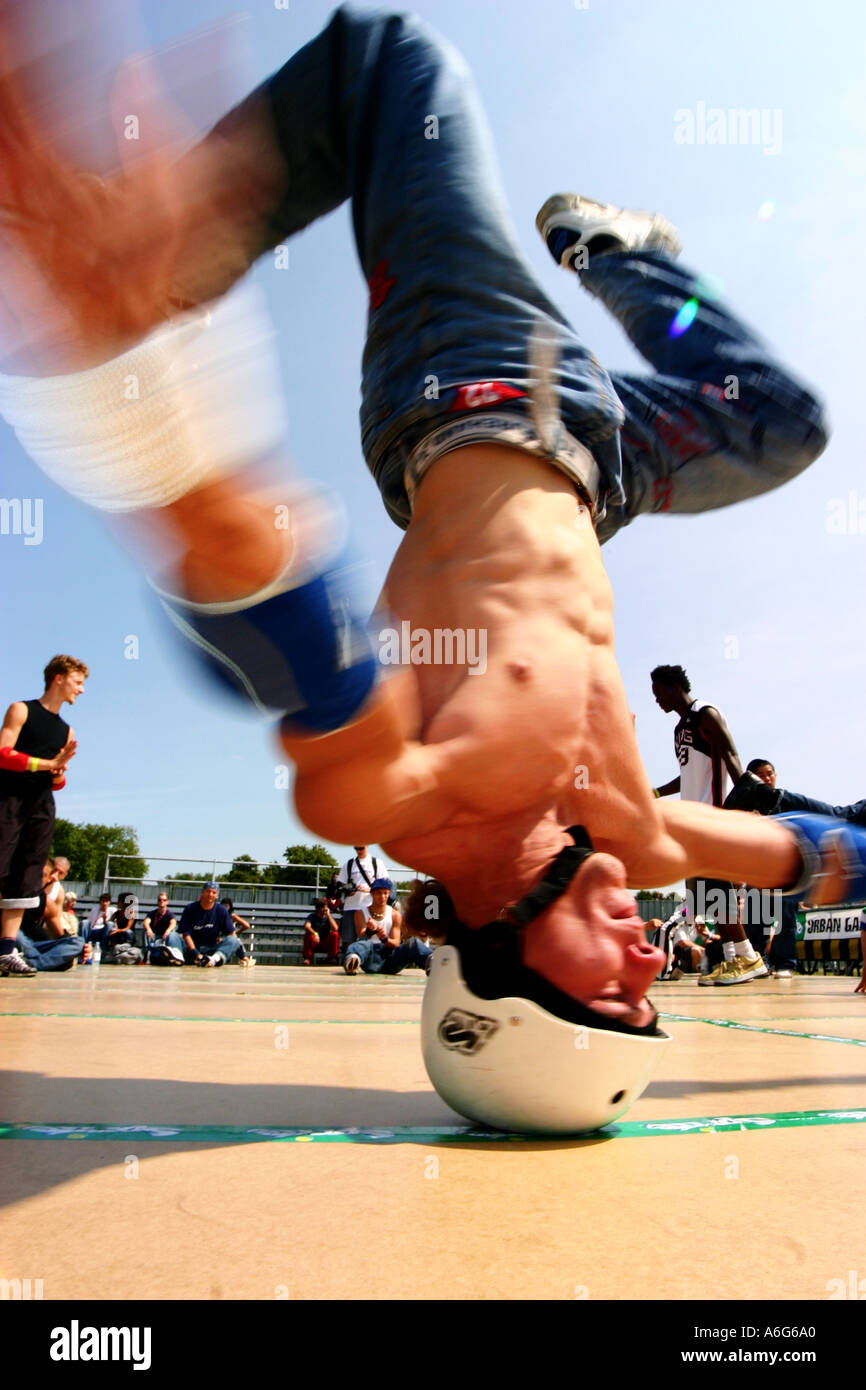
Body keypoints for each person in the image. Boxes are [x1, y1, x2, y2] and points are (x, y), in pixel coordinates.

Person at [3, 6, 864, 1128]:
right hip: (602, 461)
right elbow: (819, 855)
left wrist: (142, 384)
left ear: (496, 972)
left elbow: (274, 609)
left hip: (475, 388)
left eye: (610, 993)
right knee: (783, 424)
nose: (648, 966)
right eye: (648, 996)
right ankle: (616, 257)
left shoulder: (406, 793)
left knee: (393, 70)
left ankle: (162, 247)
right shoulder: (637, 841)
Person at [651, 664, 769, 985]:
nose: (656, 700)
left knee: (717, 886)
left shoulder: (706, 713)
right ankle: (733, 959)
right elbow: (689, 774)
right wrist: (658, 791)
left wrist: (747, 804)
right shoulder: (679, 730)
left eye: (658, 692)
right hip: (692, 818)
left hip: (714, 813)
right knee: (709, 894)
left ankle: (747, 956)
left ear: (674, 686)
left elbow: (732, 756)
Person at [0, 656, 84, 976]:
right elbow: (3, 753)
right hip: (9, 799)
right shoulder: (21, 709)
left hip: (41, 805)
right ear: (59, 678)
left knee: (25, 876)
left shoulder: (66, 731)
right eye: (78, 681)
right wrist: (47, 764)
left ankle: (6, 951)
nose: (82, 689)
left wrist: (58, 771)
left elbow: (58, 783)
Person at [344, 878, 432, 976]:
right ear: (372, 894)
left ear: (389, 894)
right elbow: (361, 935)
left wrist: (384, 938)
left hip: (391, 959)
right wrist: (370, 931)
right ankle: (352, 961)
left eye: (385, 893)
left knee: (413, 943)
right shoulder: (360, 913)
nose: (382, 896)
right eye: (379, 893)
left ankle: (432, 963)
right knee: (364, 943)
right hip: (370, 957)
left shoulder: (395, 914)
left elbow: (395, 942)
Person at [16, 858, 85, 973]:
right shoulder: (10, 891)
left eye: (43, 875)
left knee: (78, 942)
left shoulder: (47, 903)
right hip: (14, 941)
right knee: (16, 935)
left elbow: (60, 936)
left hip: (33, 945)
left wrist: (81, 950)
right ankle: (46, 962)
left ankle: (31, 963)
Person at [337, 847, 389, 957]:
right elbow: (340, 884)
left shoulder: (377, 863)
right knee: (348, 938)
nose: (359, 850)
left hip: (369, 907)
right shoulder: (349, 864)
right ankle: (349, 959)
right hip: (351, 906)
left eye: (361, 847)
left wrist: (371, 890)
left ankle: (370, 960)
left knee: (369, 936)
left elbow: (385, 885)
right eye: (356, 848)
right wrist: (347, 890)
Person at [177, 883, 244, 966]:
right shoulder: (190, 908)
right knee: (173, 936)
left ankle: (213, 960)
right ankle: (176, 958)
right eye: (208, 891)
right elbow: (186, 934)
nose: (210, 894)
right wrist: (197, 954)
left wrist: (242, 956)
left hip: (211, 949)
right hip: (191, 949)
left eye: (214, 892)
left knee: (233, 940)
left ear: (217, 896)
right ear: (202, 892)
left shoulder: (221, 910)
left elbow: (231, 934)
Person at [303, 897, 340, 965]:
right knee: (308, 935)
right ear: (318, 909)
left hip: (325, 943)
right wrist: (315, 933)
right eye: (323, 907)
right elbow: (307, 926)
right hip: (314, 943)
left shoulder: (328, 918)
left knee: (335, 934)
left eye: (326, 907)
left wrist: (328, 915)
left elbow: (335, 928)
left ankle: (332, 958)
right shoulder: (312, 916)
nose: (325, 909)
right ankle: (307, 958)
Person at [142, 892, 177, 960]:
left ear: (167, 902)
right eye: (160, 900)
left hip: (164, 936)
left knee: (172, 933)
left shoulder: (170, 914)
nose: (162, 901)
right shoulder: (152, 913)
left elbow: (173, 923)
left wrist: (167, 931)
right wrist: (149, 929)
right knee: (145, 932)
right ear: (157, 902)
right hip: (153, 935)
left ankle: (170, 955)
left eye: (164, 900)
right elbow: (146, 922)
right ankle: (147, 954)